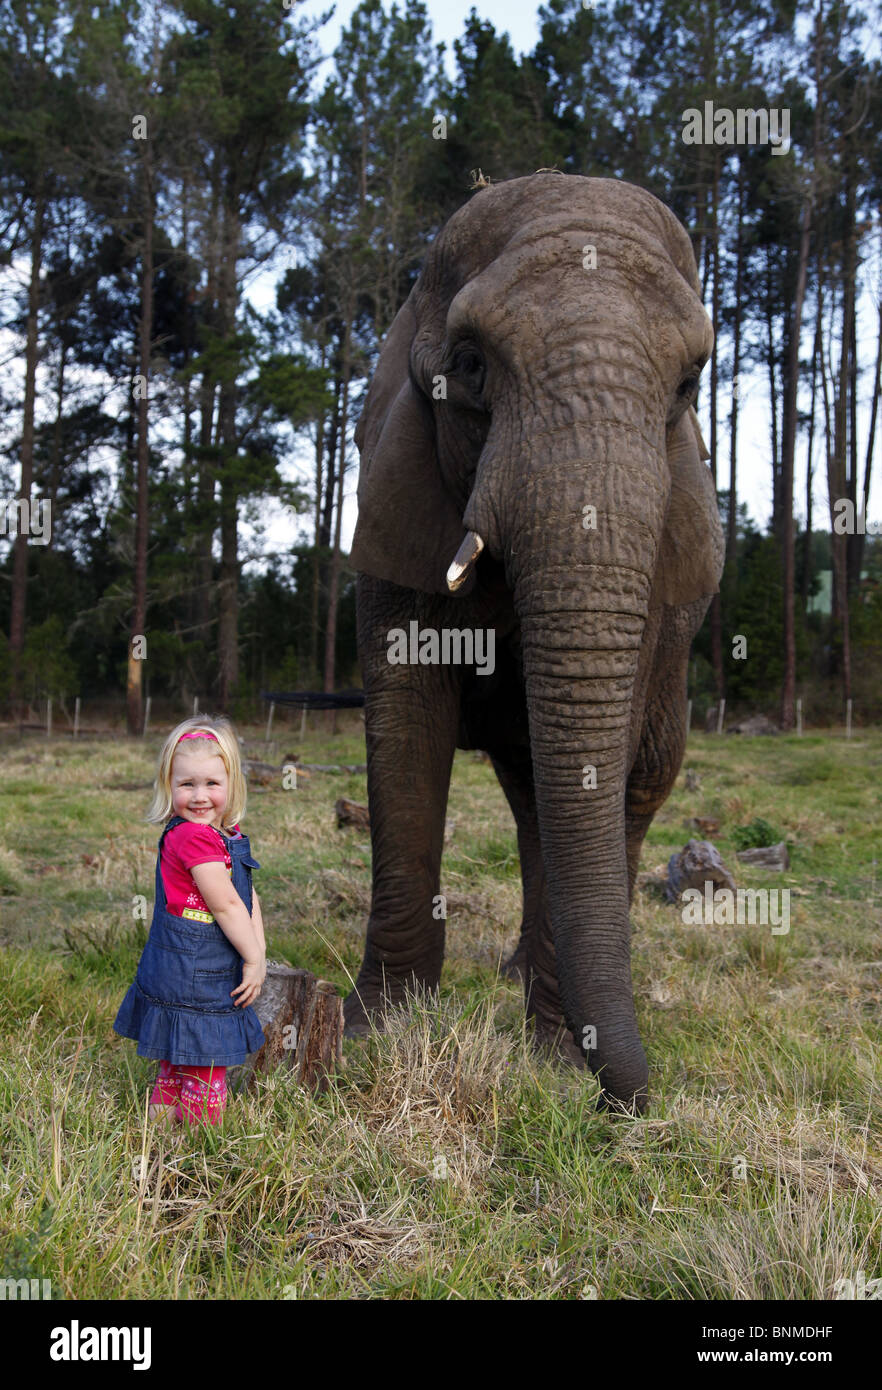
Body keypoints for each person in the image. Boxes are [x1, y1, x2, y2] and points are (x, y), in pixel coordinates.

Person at [114, 715, 266, 1126]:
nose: (200, 796)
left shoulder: (227, 833)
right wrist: (253, 959)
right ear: (169, 785)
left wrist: (260, 946)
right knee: (206, 1063)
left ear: (232, 784)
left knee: (176, 1064)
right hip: (196, 972)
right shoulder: (193, 836)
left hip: (184, 966)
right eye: (186, 784)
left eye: (212, 784)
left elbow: (246, 895)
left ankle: (160, 1135)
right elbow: (225, 906)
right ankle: (200, 1148)